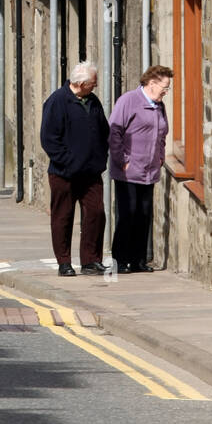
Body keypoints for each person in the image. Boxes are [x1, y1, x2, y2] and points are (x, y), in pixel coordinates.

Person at [40, 60, 110, 277]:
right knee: (63, 216)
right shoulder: (57, 101)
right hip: (64, 174)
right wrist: (69, 162)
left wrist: (101, 158)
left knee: (96, 213)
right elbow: (49, 139)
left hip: (91, 172)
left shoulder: (93, 101)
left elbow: (103, 131)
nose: (96, 86)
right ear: (80, 83)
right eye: (93, 83)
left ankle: (90, 261)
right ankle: (64, 262)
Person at [108, 64, 173, 274]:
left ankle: (138, 260)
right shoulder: (129, 101)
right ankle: (121, 260)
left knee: (144, 215)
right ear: (151, 83)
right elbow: (114, 132)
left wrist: (161, 157)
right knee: (128, 214)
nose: (166, 91)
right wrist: (122, 160)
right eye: (164, 86)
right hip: (128, 171)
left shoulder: (159, 106)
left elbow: (162, 134)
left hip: (149, 171)